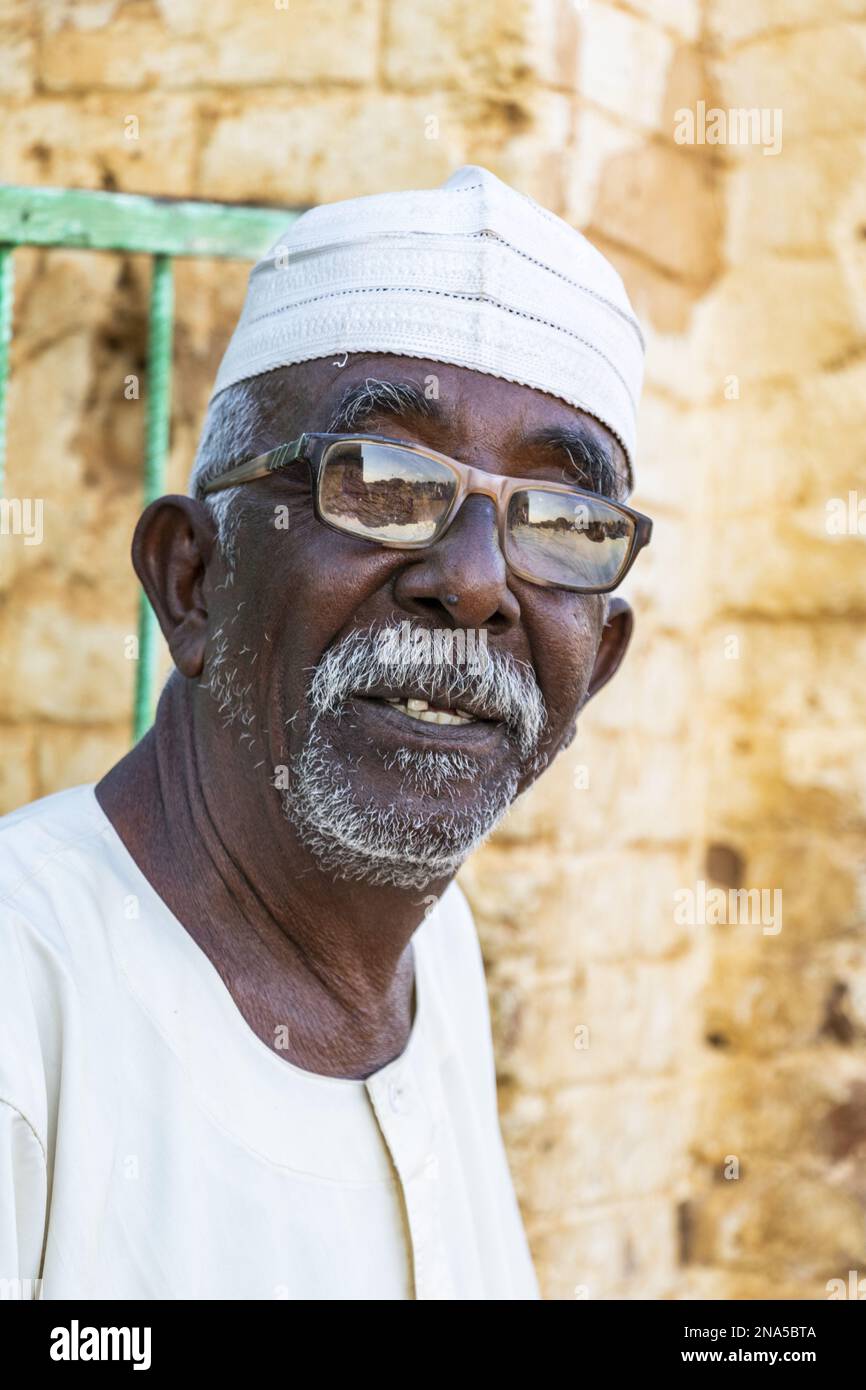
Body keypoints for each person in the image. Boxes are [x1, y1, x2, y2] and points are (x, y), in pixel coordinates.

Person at [0, 164, 649, 1300]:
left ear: (594, 664)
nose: (474, 582)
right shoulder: (29, 1008)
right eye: (383, 483)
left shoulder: (436, 960)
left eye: (561, 520)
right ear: (191, 581)